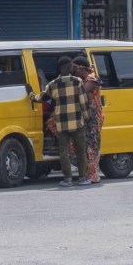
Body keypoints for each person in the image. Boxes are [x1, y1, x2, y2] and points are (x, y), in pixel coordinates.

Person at [43, 55, 91, 188]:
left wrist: (31, 95)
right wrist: (86, 117)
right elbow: (83, 102)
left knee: (64, 152)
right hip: (77, 123)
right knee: (80, 151)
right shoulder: (78, 82)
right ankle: (82, 178)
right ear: (68, 67)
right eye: (71, 66)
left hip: (62, 124)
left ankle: (67, 179)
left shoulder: (52, 84)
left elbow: (43, 97)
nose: (72, 68)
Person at [77, 58, 105, 185]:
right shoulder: (86, 79)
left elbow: (80, 92)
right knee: (87, 146)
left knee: (92, 147)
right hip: (88, 117)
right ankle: (89, 174)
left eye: (75, 70)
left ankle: (93, 176)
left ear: (81, 68)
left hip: (94, 118)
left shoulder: (91, 79)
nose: (74, 73)